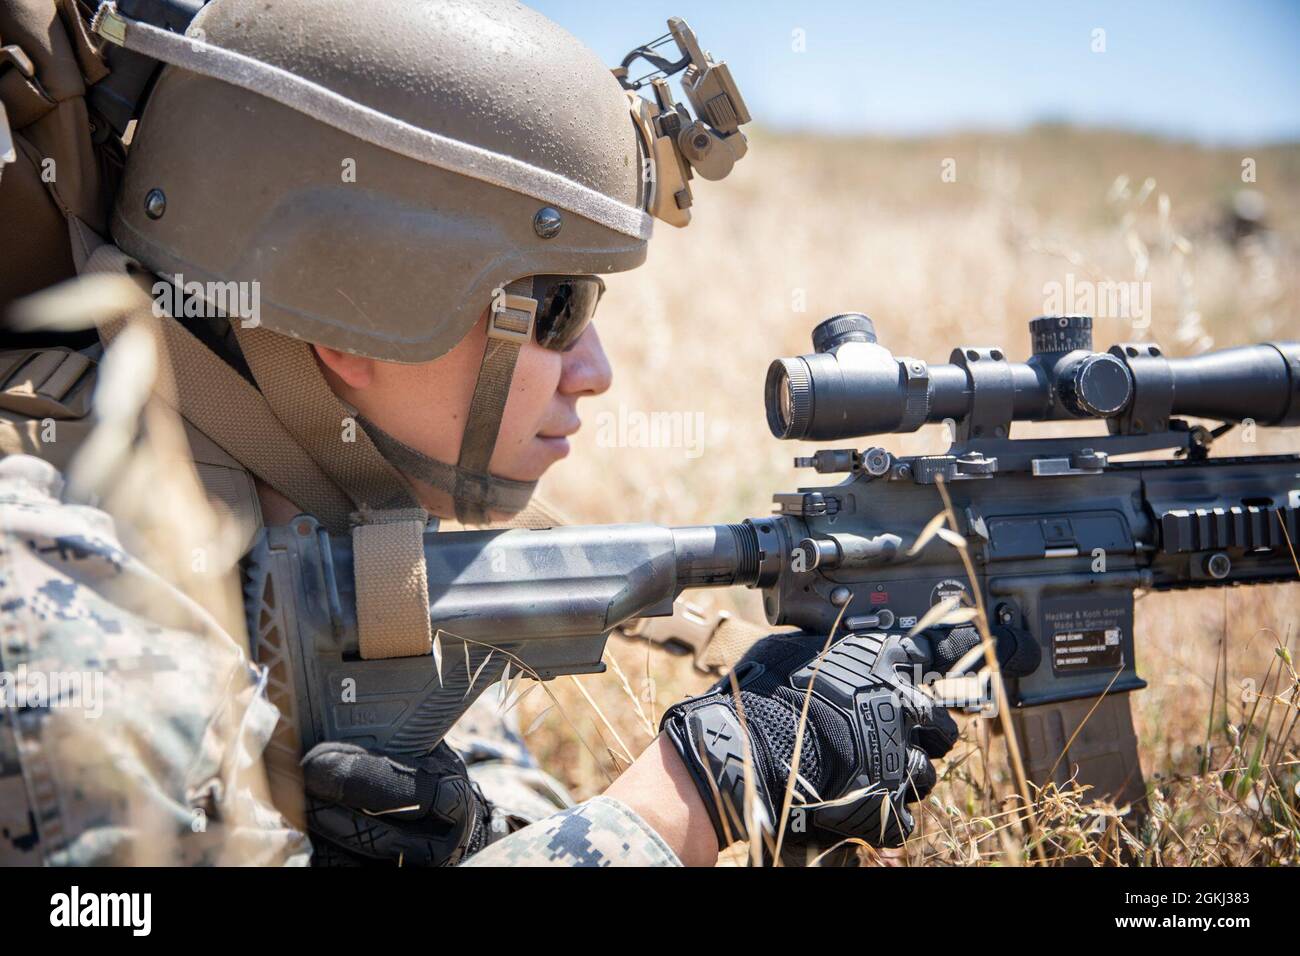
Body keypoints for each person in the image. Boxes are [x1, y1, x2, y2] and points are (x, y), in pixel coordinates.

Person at [0, 0, 957, 867]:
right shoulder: (55, 611)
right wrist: (702, 792)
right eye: (559, 307)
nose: (596, 370)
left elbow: (503, 790)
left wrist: (467, 831)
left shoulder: (335, 531)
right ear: (356, 311)